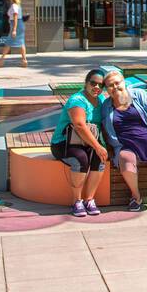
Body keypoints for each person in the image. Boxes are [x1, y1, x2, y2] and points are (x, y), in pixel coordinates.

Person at [100, 69, 147, 211]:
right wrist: (108, 148)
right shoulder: (106, 106)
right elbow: (104, 127)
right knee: (125, 160)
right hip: (126, 144)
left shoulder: (139, 95)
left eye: (117, 83)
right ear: (107, 89)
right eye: (110, 85)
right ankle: (136, 197)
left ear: (124, 82)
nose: (115, 87)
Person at [50, 69, 110, 217]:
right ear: (86, 83)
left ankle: (89, 200)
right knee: (81, 159)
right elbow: (79, 125)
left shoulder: (101, 99)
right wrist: (97, 146)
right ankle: (76, 201)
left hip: (87, 142)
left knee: (100, 157)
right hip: (64, 143)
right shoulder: (77, 100)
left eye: (100, 85)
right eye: (93, 83)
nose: (96, 87)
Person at [0, 0, 28, 68]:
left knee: (8, 42)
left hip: (16, 26)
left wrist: (14, 29)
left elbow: (15, 17)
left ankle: (1, 59)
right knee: (21, 43)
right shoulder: (17, 5)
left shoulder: (14, 6)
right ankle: (24, 60)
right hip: (19, 25)